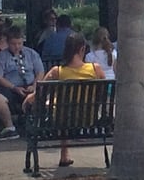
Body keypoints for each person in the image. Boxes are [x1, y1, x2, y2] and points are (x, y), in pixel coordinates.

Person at [25, 31, 105, 167]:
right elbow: (102, 93)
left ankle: (64, 155)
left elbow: (38, 94)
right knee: (68, 107)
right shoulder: (95, 69)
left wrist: (27, 100)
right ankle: (64, 156)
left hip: (62, 120)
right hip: (89, 118)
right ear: (82, 49)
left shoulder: (57, 71)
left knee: (62, 109)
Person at [0, 26, 44, 140]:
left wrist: (34, 85)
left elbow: (40, 71)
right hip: (10, 88)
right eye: (14, 44)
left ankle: (38, 125)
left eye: (19, 43)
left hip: (30, 87)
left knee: (43, 95)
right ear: (8, 43)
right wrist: (14, 87)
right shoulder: (1, 57)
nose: (17, 46)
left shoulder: (31, 53)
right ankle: (10, 128)